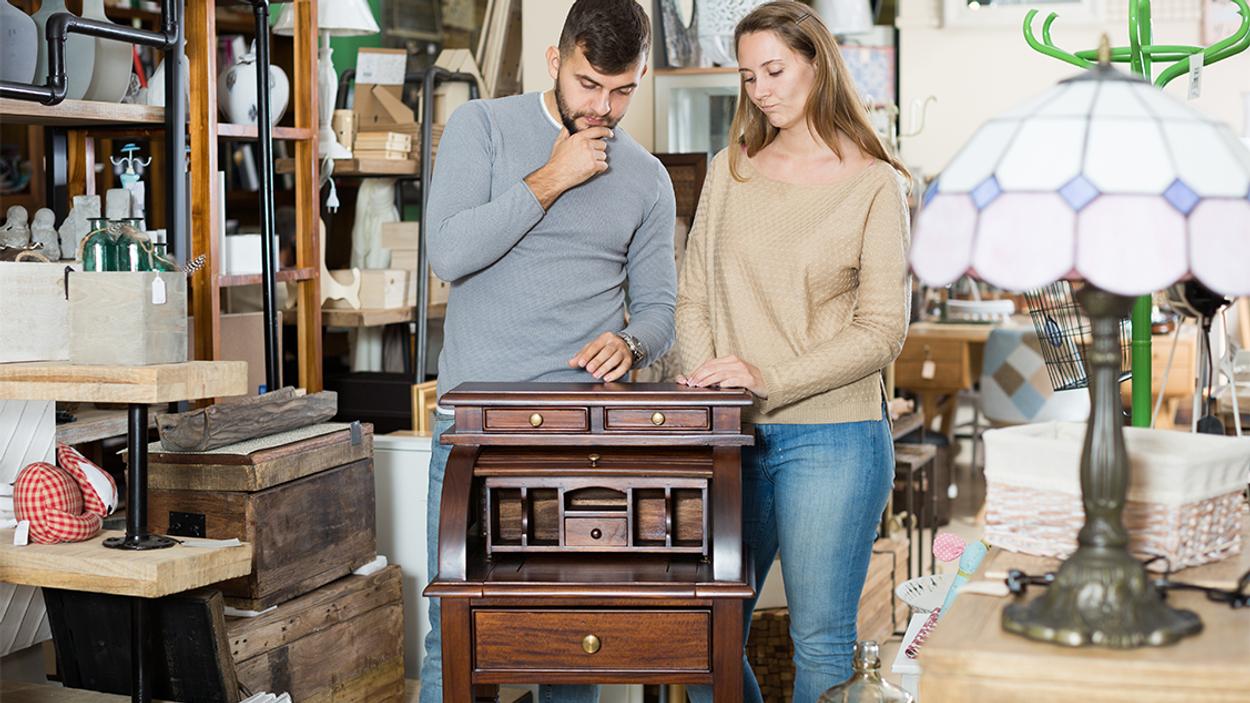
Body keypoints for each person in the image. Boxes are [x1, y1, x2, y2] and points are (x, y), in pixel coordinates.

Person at [419, 1, 677, 702]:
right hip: (477, 429)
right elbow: (449, 252)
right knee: (459, 638)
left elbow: (660, 312)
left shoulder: (649, 179)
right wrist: (554, 176)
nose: (604, 108)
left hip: (585, 437)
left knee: (574, 642)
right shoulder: (484, 128)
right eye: (589, 84)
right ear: (555, 62)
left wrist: (629, 342)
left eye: (623, 90)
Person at [675, 3, 912, 702]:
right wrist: (712, 390)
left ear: (818, 63)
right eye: (749, 77)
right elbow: (694, 296)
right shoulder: (731, 170)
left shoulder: (875, 184)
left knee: (819, 647)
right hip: (729, 435)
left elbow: (880, 332)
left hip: (835, 439)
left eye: (774, 70)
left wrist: (764, 378)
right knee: (704, 639)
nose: (761, 90)